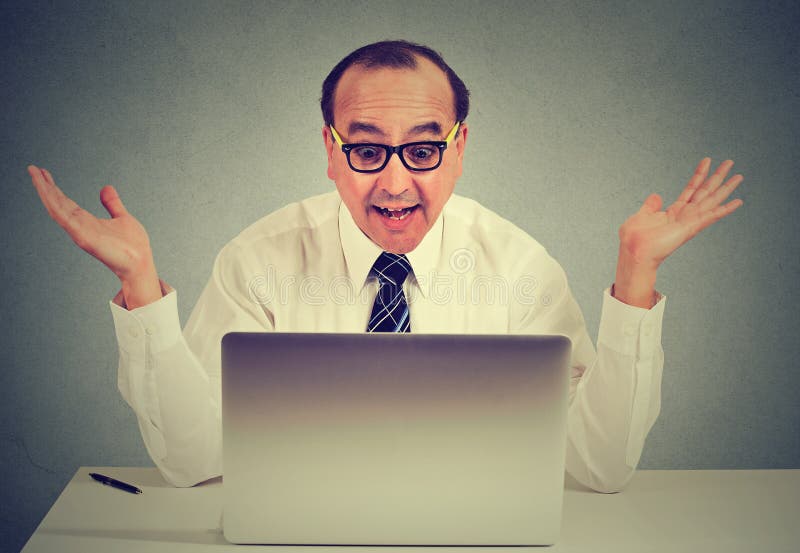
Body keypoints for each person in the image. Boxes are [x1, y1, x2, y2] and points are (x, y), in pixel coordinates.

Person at [27, 40, 743, 492]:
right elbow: (189, 459)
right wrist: (141, 288)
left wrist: (635, 281)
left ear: (460, 149)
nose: (396, 184)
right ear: (332, 151)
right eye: (367, 149)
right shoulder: (259, 259)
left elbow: (599, 467)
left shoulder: (521, 267)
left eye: (424, 149)